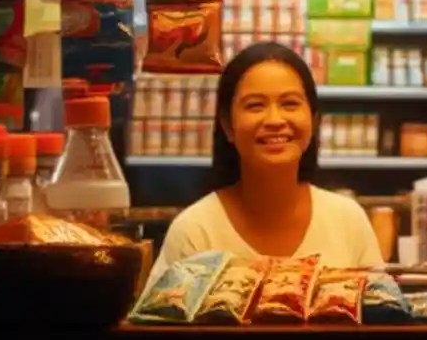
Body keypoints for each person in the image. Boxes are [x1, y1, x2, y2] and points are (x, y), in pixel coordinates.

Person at [146, 42, 383, 285]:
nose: (275, 120)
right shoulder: (196, 230)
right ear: (228, 125)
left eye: (290, 103)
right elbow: (156, 320)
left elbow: (382, 313)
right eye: (255, 105)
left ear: (313, 119)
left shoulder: (347, 220)